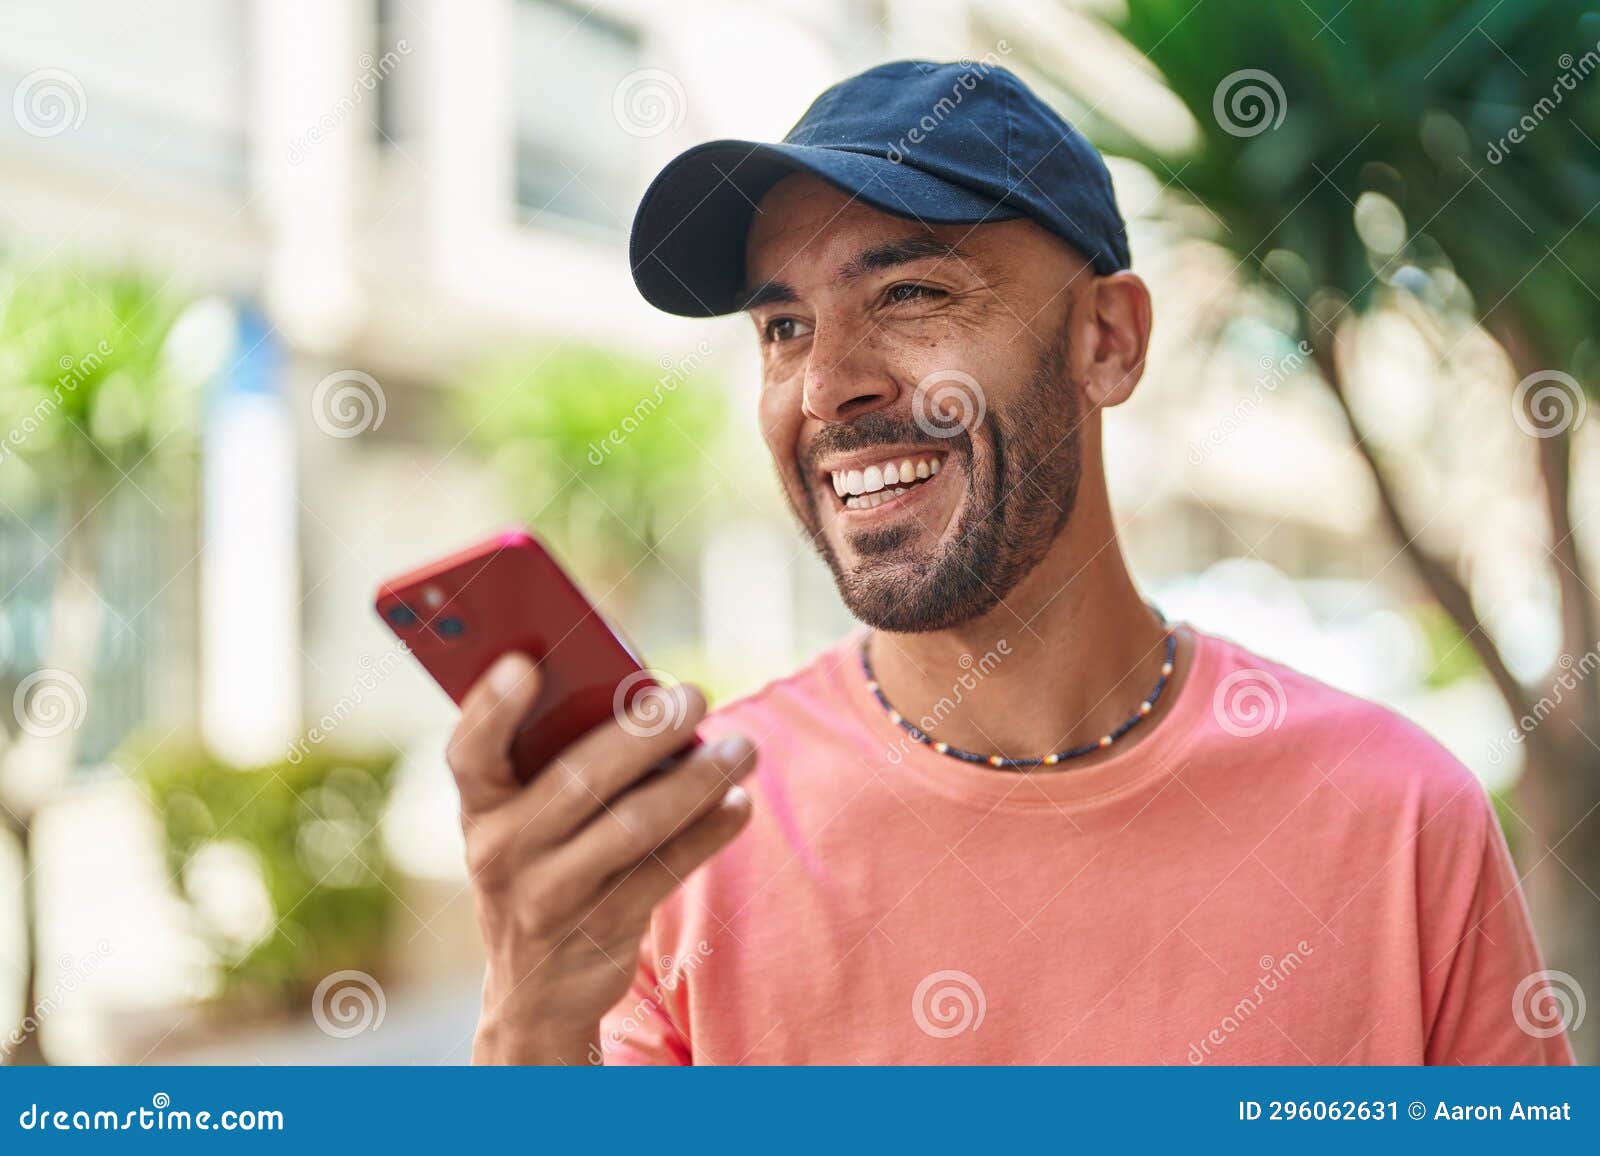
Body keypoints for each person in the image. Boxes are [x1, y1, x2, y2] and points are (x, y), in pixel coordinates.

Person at [448, 61, 1571, 1065]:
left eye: (911, 293)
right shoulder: (690, 850)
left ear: (1107, 340)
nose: (827, 384)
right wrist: (530, 1029)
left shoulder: (1398, 819)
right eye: (782, 326)